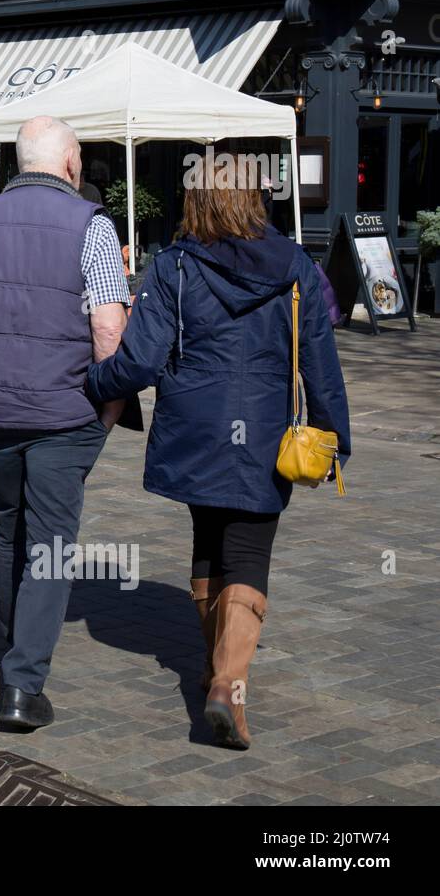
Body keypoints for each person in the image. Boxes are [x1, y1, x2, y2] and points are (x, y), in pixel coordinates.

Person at [87, 160, 350, 750]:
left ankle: (213, 674)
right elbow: (322, 368)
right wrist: (335, 438)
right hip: (261, 432)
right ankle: (227, 686)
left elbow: (140, 362)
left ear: (196, 202)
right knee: (249, 550)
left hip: (193, 429)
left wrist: (91, 383)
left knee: (210, 541)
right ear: (255, 198)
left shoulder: (173, 267)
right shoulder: (296, 269)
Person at [0, 116, 130, 732]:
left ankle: (17, 642)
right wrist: (108, 412)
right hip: (63, 412)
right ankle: (21, 684)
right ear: (71, 163)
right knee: (50, 543)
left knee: (8, 523)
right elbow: (109, 331)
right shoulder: (92, 228)